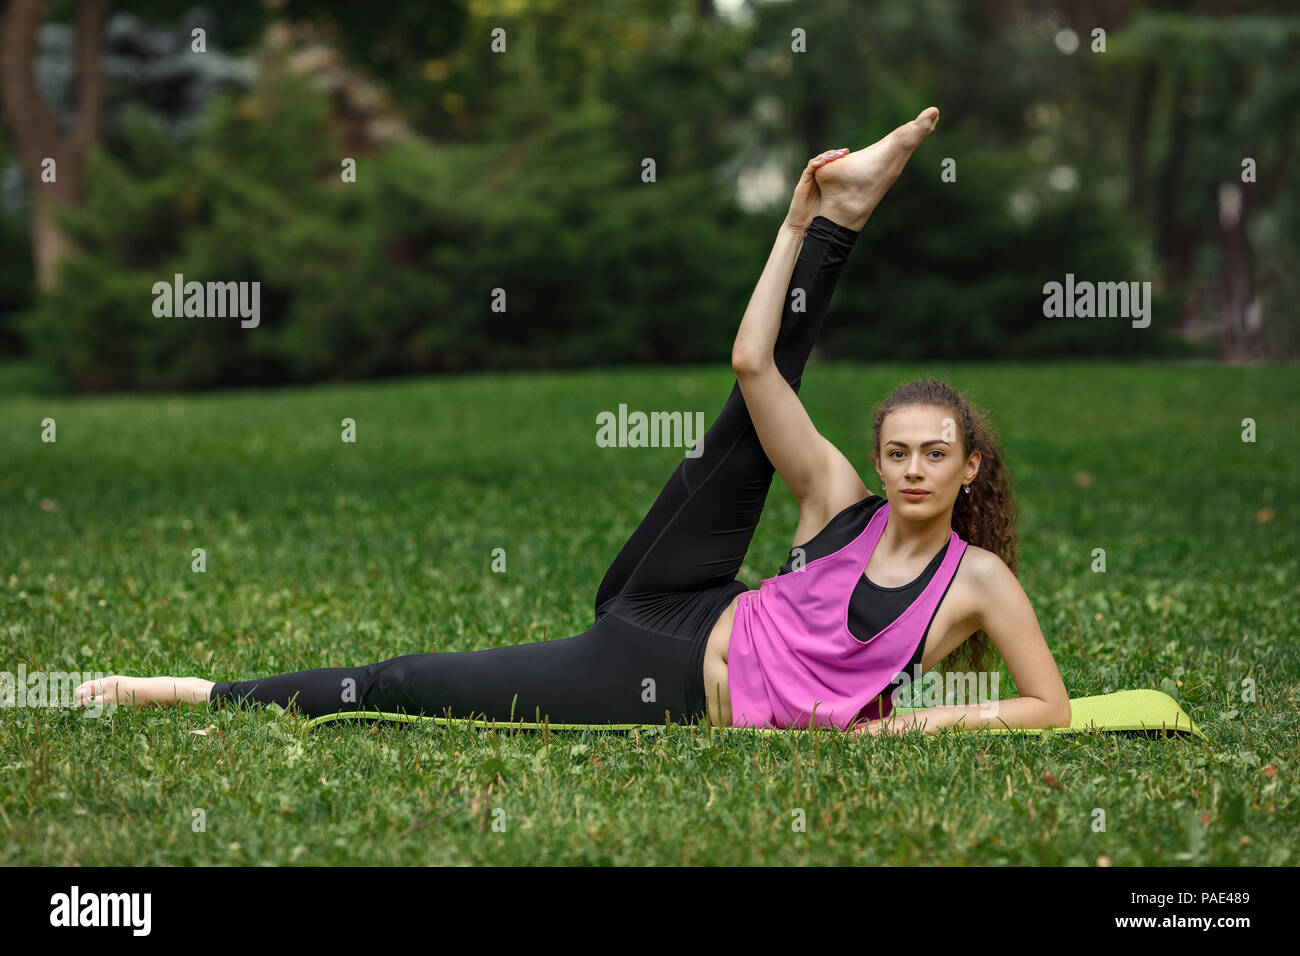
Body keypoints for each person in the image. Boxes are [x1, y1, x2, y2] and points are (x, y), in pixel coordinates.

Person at [75, 107, 1071, 736]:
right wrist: (794, 223)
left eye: (933, 454)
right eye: (896, 449)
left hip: (659, 670)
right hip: (681, 591)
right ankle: (844, 217)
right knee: (746, 414)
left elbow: (1047, 706)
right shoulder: (839, 502)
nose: (908, 468)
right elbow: (752, 364)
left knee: (411, 680)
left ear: (971, 468)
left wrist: (917, 729)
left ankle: (181, 689)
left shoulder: (976, 583)